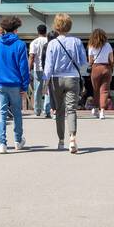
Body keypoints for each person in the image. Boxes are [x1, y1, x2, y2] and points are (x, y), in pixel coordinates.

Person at [43, 13, 88, 153]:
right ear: (69, 25)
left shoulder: (52, 43)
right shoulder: (77, 41)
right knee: (72, 109)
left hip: (56, 79)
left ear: (56, 26)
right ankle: (72, 137)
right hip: (72, 78)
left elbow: (48, 66)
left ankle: (61, 140)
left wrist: (45, 83)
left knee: (59, 110)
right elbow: (83, 62)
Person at [0, 16, 30, 153]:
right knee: (17, 113)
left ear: (3, 29)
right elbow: (24, 68)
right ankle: (18, 140)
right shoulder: (20, 45)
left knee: (1, 113)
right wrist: (24, 86)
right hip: (15, 84)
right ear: (16, 29)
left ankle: (1, 143)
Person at [88, 29, 114, 120]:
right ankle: (102, 111)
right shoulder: (108, 45)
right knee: (104, 91)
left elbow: (90, 60)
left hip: (96, 68)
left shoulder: (91, 45)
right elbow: (111, 59)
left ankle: (95, 109)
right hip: (106, 68)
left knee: (96, 90)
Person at [29, 24, 50, 118]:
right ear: (46, 31)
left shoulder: (34, 42)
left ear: (38, 32)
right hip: (48, 69)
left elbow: (32, 56)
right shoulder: (50, 41)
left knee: (37, 90)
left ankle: (37, 110)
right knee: (48, 90)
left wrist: (29, 69)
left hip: (37, 69)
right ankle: (47, 110)